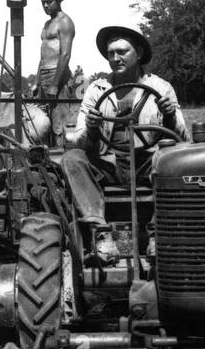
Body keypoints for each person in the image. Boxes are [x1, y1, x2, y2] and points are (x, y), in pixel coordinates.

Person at [60, 26, 189, 264]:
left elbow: (183, 137)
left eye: (122, 52)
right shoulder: (96, 90)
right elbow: (79, 141)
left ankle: (156, 235)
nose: (115, 58)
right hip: (110, 165)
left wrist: (169, 115)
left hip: (148, 164)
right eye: (110, 53)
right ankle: (103, 237)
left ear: (138, 53)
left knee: (174, 158)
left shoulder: (161, 88)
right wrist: (92, 127)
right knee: (72, 159)